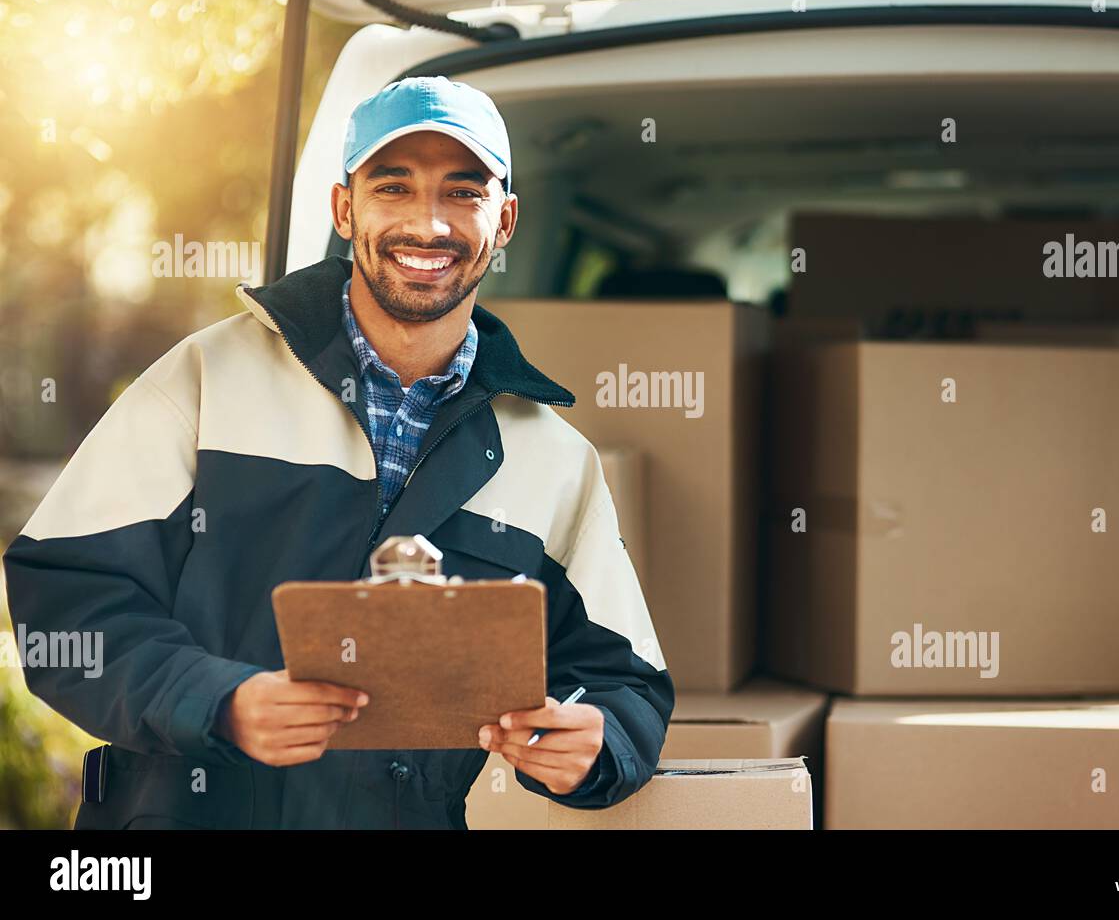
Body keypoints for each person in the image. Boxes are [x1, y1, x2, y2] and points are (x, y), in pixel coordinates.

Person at [3, 76, 675, 829]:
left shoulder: (554, 460)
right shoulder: (203, 381)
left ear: (505, 218)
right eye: (393, 187)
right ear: (344, 207)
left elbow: (628, 685)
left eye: (463, 192)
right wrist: (215, 700)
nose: (429, 223)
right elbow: (65, 602)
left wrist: (597, 741)